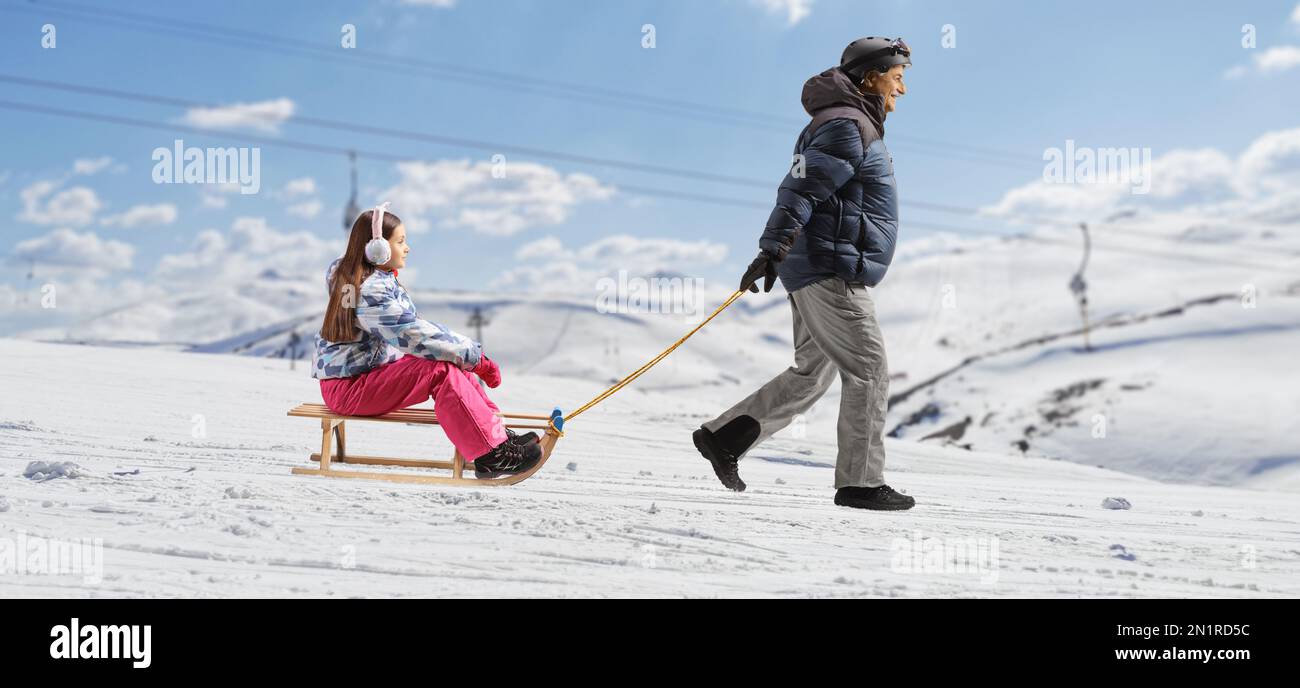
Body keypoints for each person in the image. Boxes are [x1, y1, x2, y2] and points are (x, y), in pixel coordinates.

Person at [693, 37, 916, 510]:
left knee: (812, 373)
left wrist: (777, 252)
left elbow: (803, 183)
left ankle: (725, 439)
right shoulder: (848, 126)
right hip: (831, 268)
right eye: (897, 77)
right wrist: (771, 248)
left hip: (814, 265)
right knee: (869, 371)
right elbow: (799, 187)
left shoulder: (840, 122)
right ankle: (860, 483)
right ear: (870, 76)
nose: (903, 89)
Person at [312, 203, 540, 479]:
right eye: (400, 241)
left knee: (445, 364)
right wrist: (475, 357)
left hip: (355, 380)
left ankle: (497, 438)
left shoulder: (360, 277)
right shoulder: (369, 291)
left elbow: (417, 334)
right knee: (440, 369)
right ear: (377, 249)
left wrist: (464, 358)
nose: (407, 248)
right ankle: (490, 456)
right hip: (351, 389)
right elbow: (413, 334)